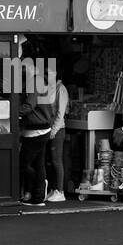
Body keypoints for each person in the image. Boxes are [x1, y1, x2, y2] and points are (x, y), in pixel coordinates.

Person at [18, 57, 56, 206]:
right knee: (38, 164)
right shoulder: (40, 82)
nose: (21, 72)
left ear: (31, 69)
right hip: (42, 128)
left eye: (23, 69)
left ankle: (40, 185)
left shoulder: (34, 82)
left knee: (22, 164)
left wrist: (13, 113)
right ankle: (38, 197)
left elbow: (29, 105)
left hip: (36, 131)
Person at [46, 73, 70, 202]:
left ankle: (60, 191)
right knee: (50, 161)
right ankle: (52, 189)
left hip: (58, 130)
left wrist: (54, 130)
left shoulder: (61, 89)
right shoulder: (49, 88)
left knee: (56, 160)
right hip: (49, 129)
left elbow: (60, 113)